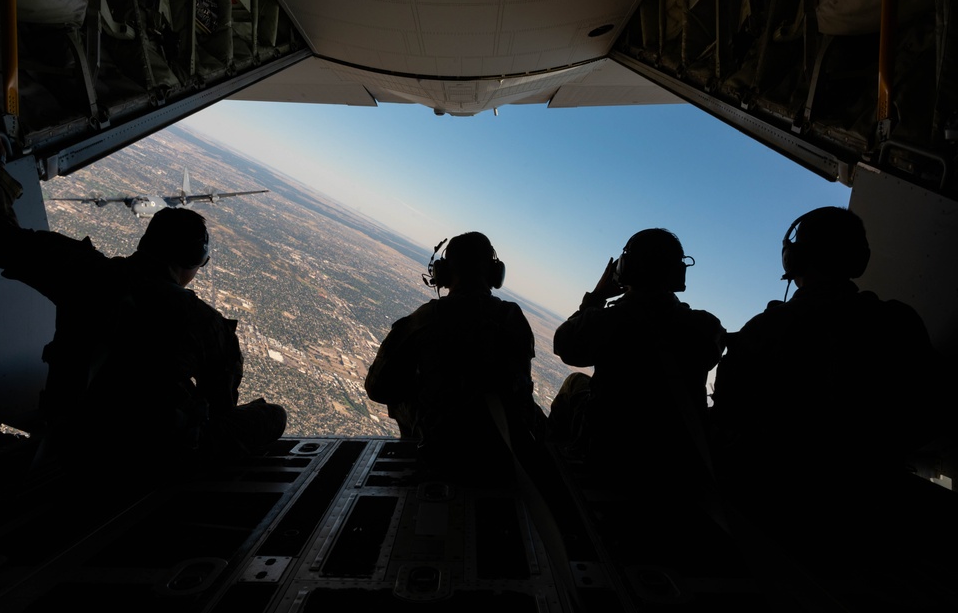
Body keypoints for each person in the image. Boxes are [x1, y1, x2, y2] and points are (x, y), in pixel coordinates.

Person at [0, 136, 286, 475]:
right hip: (148, 462)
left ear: (146, 242)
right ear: (192, 263)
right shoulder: (209, 325)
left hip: (71, 437)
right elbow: (221, 408)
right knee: (274, 416)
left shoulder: (80, 270)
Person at [710, 206, 943, 562]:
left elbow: (727, 414)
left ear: (794, 260)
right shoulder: (899, 323)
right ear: (858, 259)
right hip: (872, 516)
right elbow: (926, 418)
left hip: (777, 515)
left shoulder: (764, 330)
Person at [549, 228, 724, 494]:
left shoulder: (607, 321)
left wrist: (597, 297)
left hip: (612, 457)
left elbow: (563, 345)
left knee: (575, 383)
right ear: (678, 274)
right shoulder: (706, 327)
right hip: (673, 467)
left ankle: (553, 465)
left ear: (625, 268)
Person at [365, 232, 543, 480]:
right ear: (494, 274)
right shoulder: (513, 317)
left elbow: (378, 388)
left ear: (443, 273)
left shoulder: (425, 319)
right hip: (505, 452)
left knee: (399, 394)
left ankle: (413, 451)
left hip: (445, 451)